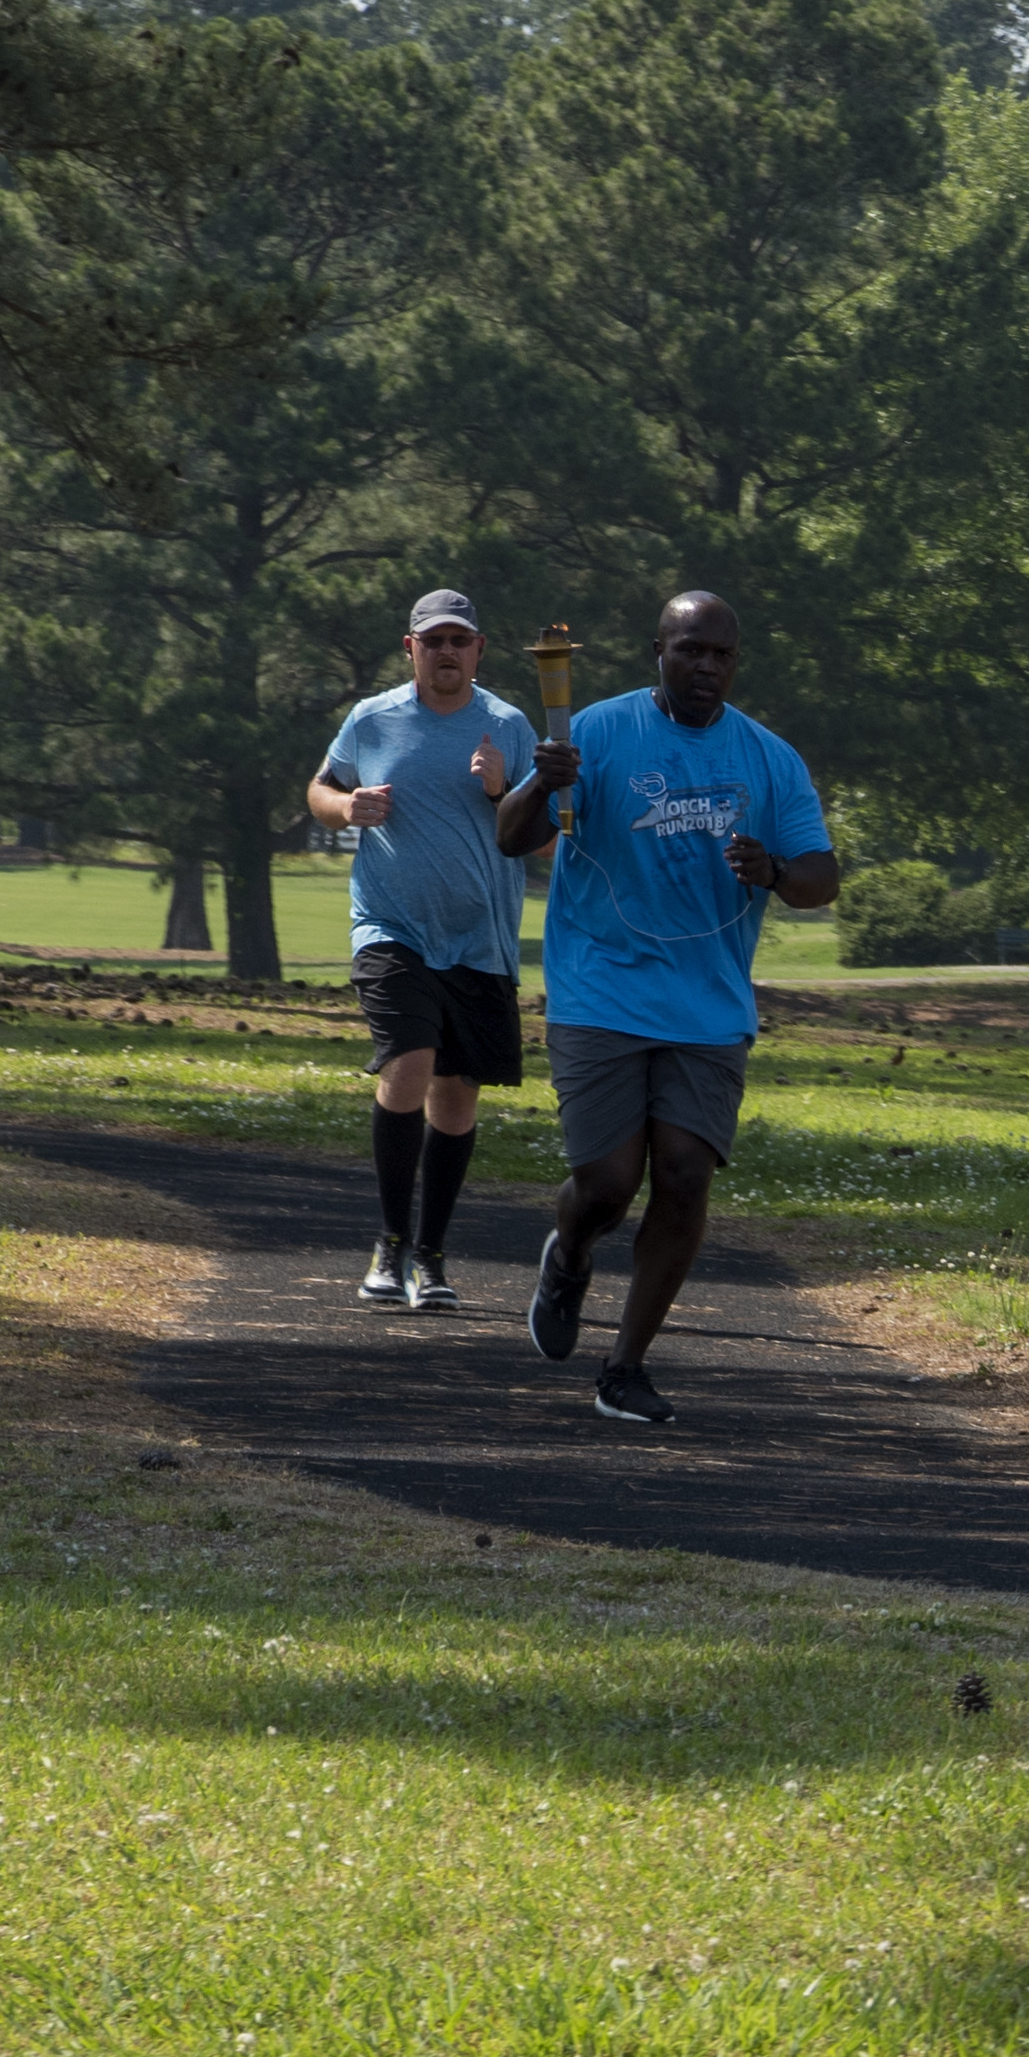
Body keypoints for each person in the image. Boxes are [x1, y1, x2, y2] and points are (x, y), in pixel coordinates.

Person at [498, 589, 836, 1430]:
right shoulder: (599, 733)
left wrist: (775, 874)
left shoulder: (768, 758)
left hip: (708, 1004)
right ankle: (570, 1252)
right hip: (600, 989)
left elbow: (821, 878)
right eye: (690, 650)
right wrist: (543, 781)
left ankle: (625, 1367)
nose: (706, 667)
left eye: (721, 654)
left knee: (684, 1176)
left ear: (735, 663)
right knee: (609, 1185)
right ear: (659, 652)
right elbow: (510, 837)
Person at [308, 588, 540, 1309]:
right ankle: (390, 1242)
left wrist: (503, 791)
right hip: (390, 925)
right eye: (432, 640)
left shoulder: (508, 725)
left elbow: (544, 832)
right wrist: (347, 808)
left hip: (480, 939)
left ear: (478, 650)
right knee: (409, 1063)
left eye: (458, 640)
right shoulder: (371, 718)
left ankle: (432, 1256)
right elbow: (319, 788)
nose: (446, 651)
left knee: (457, 1092)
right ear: (410, 648)